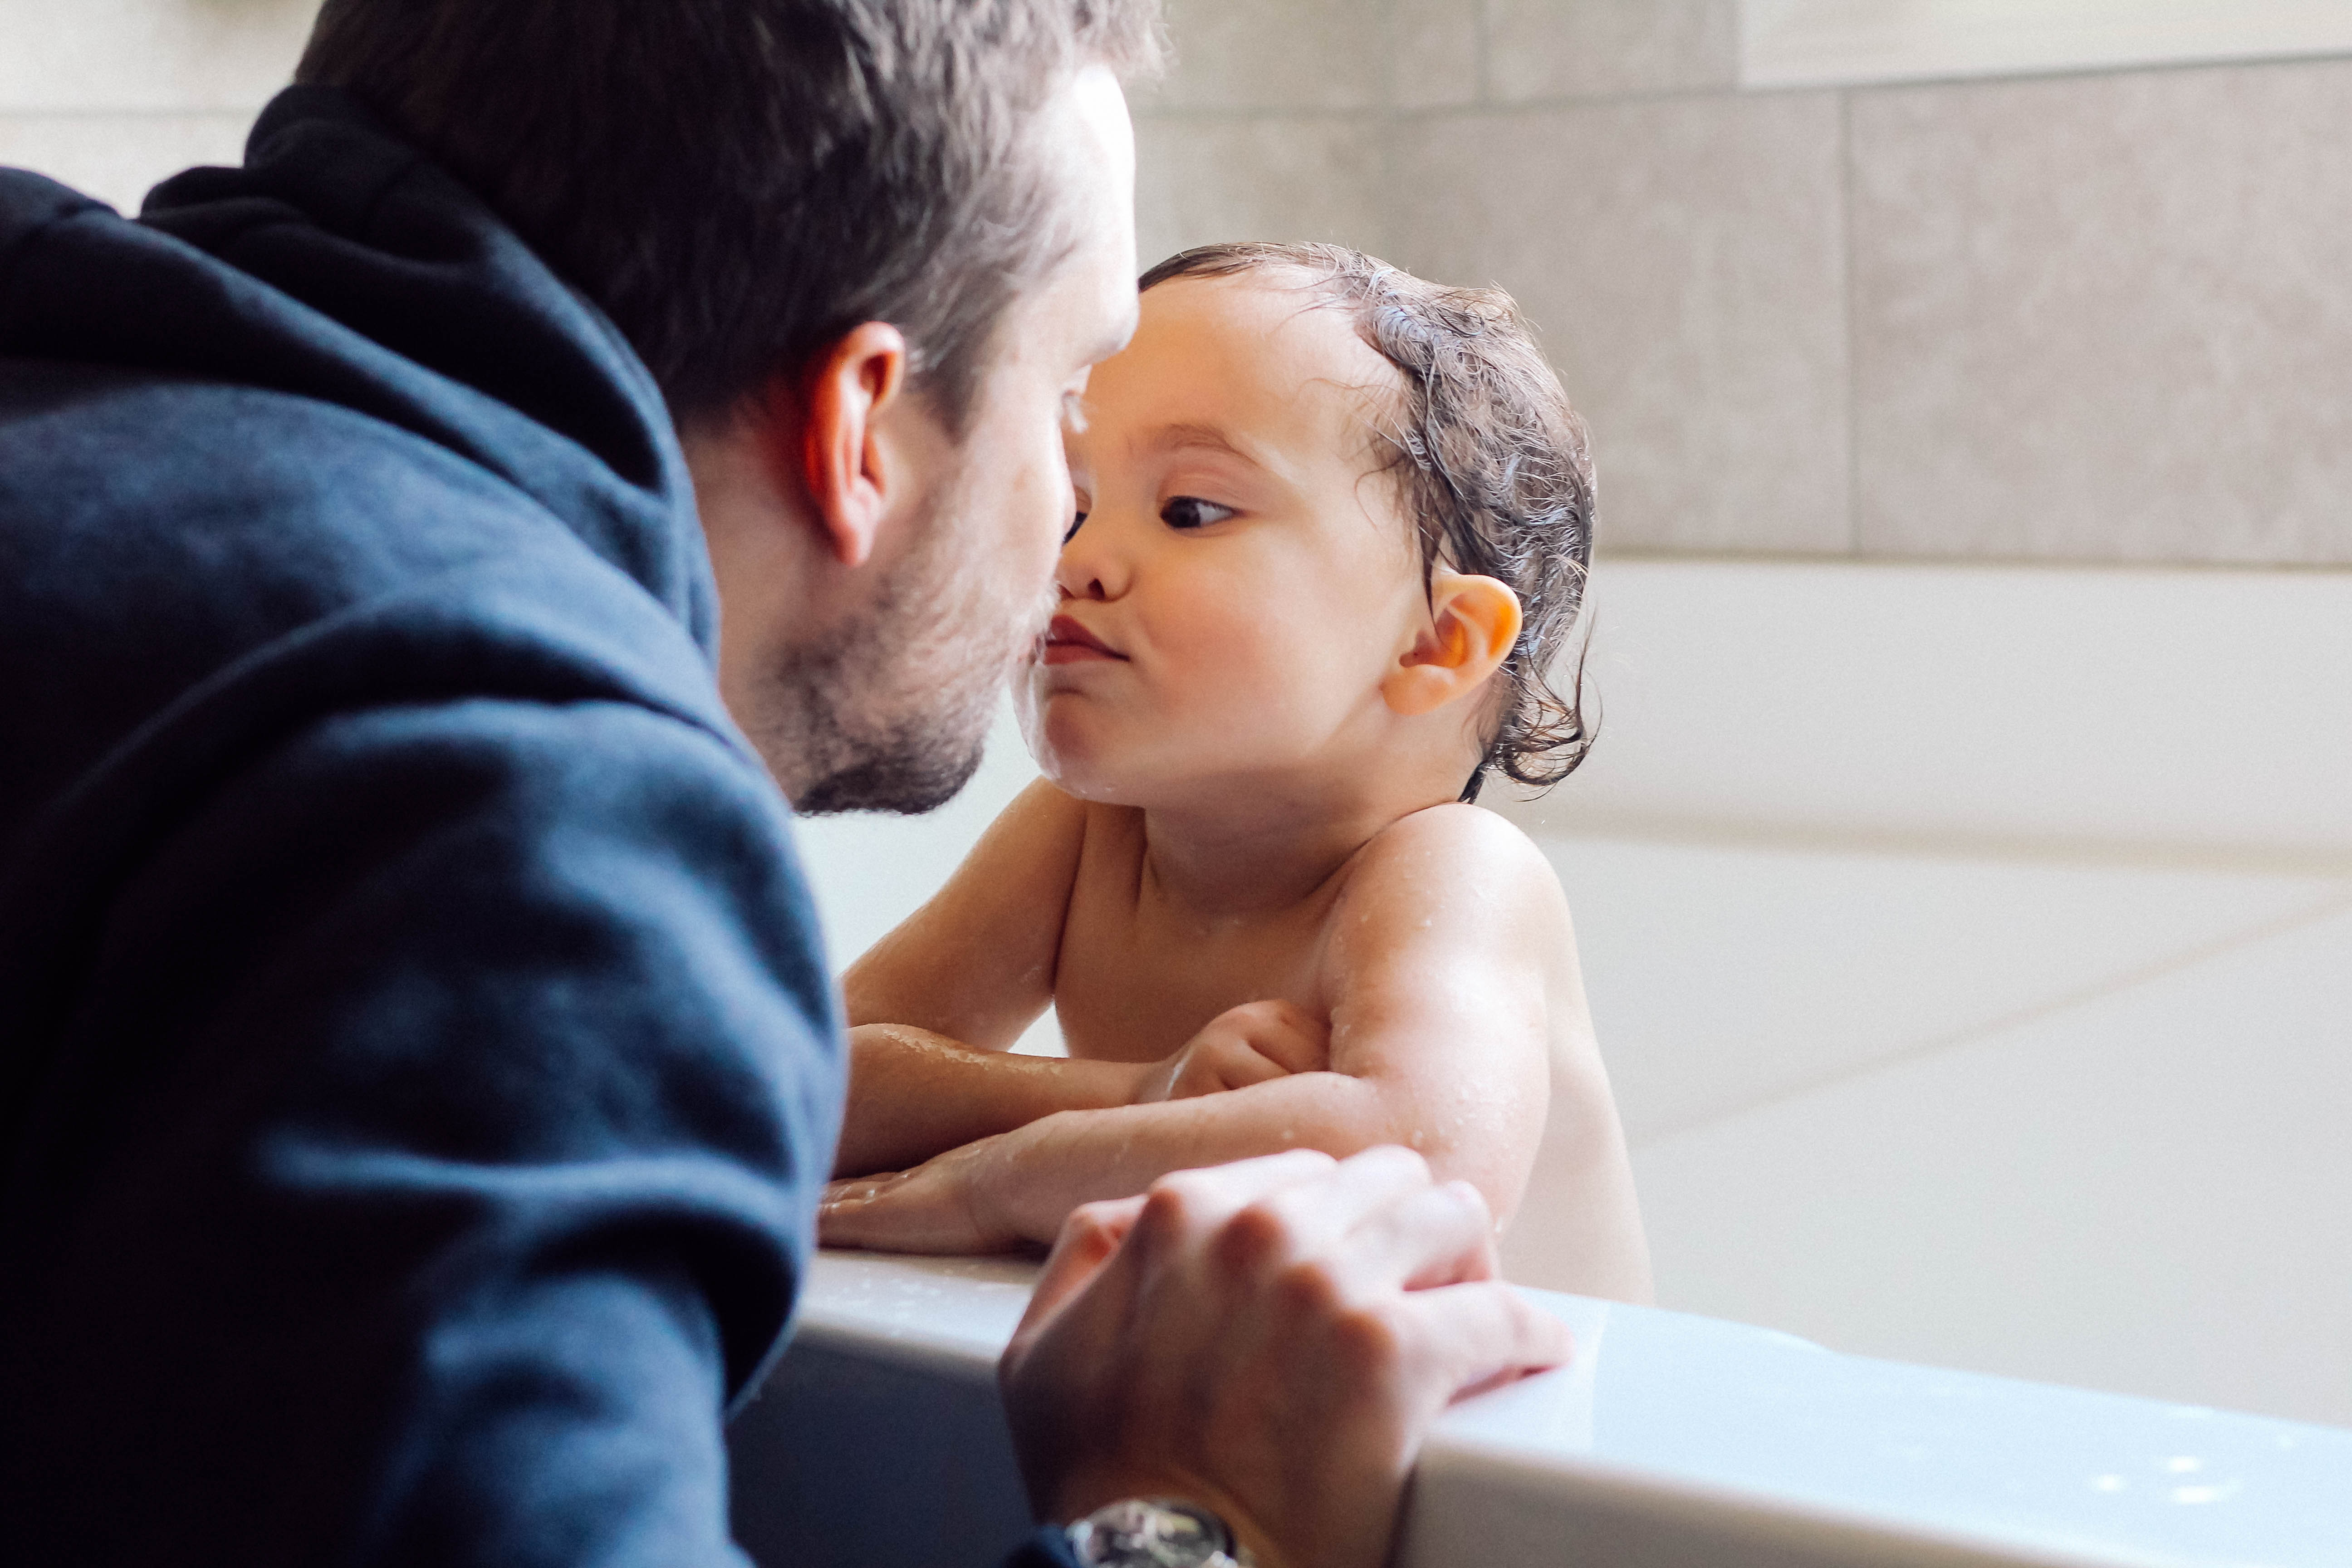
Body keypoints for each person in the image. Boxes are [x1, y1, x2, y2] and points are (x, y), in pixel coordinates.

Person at [0, 3, 1569, 1567]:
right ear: (859, 426)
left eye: (1186, 502)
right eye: (1063, 412)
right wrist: (1187, 1524)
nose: (1072, 546)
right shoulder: (505, 802)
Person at [819, 243, 1652, 1304]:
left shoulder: (1450, 871)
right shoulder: (1083, 838)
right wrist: (1133, 1094)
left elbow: (1414, 1162)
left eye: (1192, 511)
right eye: (1070, 503)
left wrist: (999, 1180)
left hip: (1543, 1458)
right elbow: (808, 1075)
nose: (1074, 559)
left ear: (1436, 643)